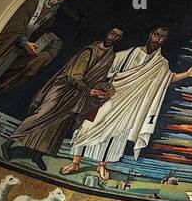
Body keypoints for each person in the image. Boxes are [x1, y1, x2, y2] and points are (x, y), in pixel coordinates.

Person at [64, 26, 192, 180]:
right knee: (88, 126)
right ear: (151, 35)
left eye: (162, 37)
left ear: (165, 40)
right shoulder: (129, 53)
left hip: (130, 105)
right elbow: (106, 67)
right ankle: (76, 162)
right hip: (109, 98)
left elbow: (167, 78)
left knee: (115, 134)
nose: (158, 39)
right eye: (156, 35)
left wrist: (187, 74)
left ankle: (102, 165)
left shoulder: (161, 63)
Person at [8, 26, 122, 164]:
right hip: (64, 88)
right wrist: (88, 90)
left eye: (117, 36)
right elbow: (74, 75)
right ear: (107, 33)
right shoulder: (90, 50)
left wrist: (100, 92)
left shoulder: (110, 57)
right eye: (112, 33)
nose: (113, 37)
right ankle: (9, 142)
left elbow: (99, 78)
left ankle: (37, 156)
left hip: (79, 96)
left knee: (58, 126)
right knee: (41, 115)